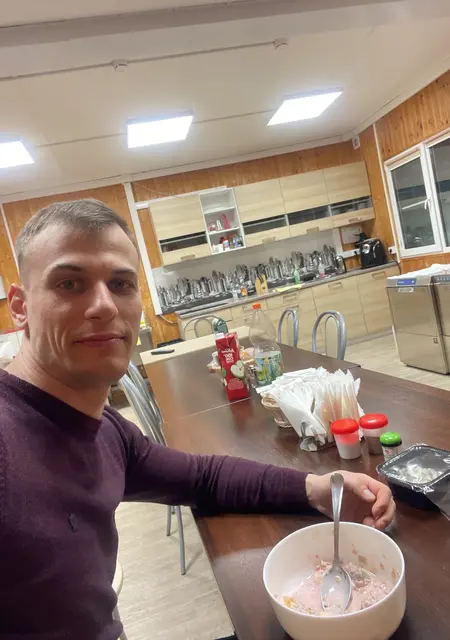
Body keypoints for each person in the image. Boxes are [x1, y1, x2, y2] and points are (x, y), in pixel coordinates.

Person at [0, 199, 395, 640]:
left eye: (121, 283)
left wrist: (315, 488)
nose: (103, 306)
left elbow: (202, 477)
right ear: (20, 306)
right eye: (69, 283)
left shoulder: (105, 431)